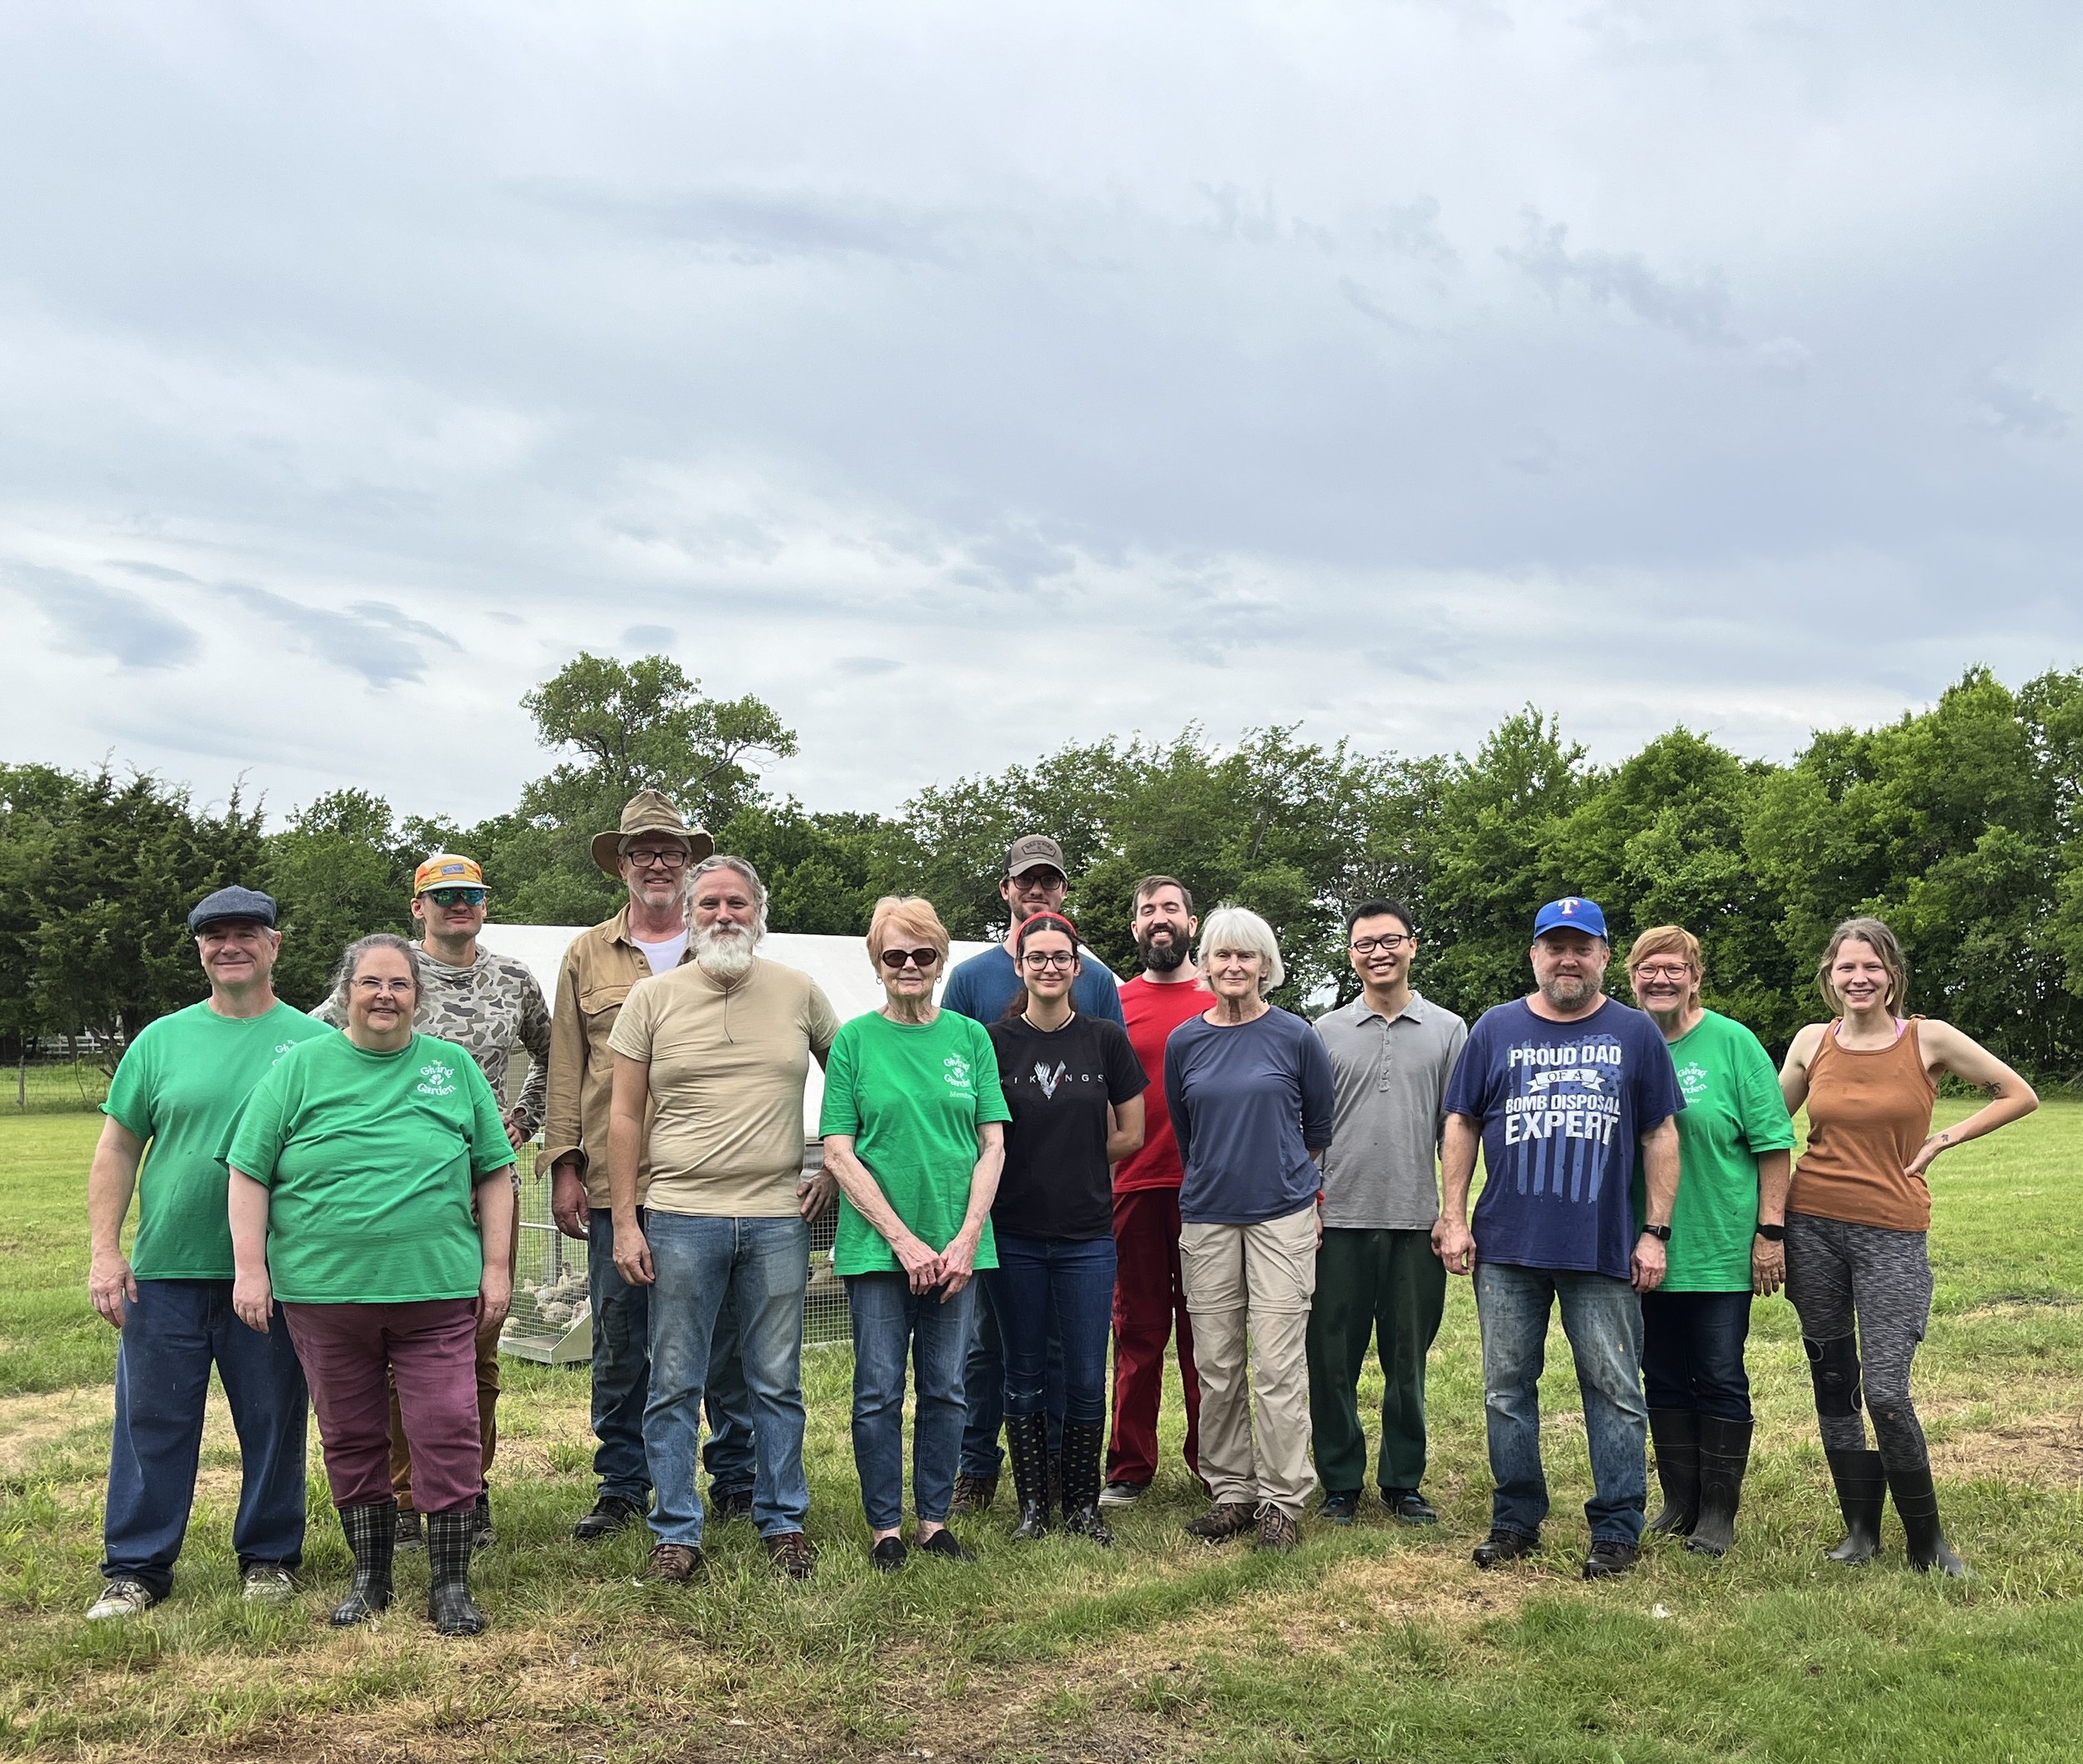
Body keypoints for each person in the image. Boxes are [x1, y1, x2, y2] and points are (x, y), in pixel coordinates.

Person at [228, 933, 516, 1636]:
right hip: (325, 1294)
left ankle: (449, 1583)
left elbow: (495, 1171)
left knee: (446, 1426)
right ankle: (371, 1576)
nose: (385, 994)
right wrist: (251, 1268)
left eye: (399, 983)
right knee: (351, 1433)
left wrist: (497, 1267)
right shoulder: (300, 1068)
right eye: (370, 982)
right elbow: (248, 1171)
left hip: (437, 1290)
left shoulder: (452, 1067)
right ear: (346, 991)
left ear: (417, 996)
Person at [82, 887, 334, 1621]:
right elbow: (118, 1148)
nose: (231, 946)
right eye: (215, 936)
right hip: (164, 1268)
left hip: (275, 1270)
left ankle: (268, 1556)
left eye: (246, 933)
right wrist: (106, 1252)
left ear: (274, 945)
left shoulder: (315, 1044)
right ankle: (136, 1568)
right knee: (152, 1422)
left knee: (273, 1419)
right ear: (199, 950)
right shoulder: (161, 1040)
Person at [606, 856, 840, 1583]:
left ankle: (783, 1519)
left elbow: (856, 1082)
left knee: (776, 1379)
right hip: (679, 1214)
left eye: (737, 902)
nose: (723, 915)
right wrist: (625, 1220)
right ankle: (675, 1530)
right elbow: (622, 1114)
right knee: (673, 1380)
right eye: (708, 903)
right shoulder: (653, 997)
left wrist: (832, 1166)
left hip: (776, 1216)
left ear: (758, 911)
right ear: (688, 910)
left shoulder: (800, 992)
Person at [1779, 916, 2036, 1577]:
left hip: (1892, 1231)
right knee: (1835, 1381)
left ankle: (1928, 1541)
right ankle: (1860, 1530)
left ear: (1891, 974)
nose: (1858, 977)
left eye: (1871, 966)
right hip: (1813, 1225)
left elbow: (2020, 1093)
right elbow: (1767, 1124)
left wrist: (1945, 1137)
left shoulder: (1930, 1038)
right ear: (1830, 976)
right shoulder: (1813, 1040)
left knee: (1888, 1390)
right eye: (1846, 967)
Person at [1434, 897, 1682, 1581]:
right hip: (1508, 1244)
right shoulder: (1494, 1028)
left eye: (1582, 947)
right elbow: (1461, 1121)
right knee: (1506, 1386)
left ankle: (1616, 1525)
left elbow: (1661, 1132)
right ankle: (1515, 1518)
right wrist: (1453, 1215)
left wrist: (1654, 1231)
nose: (1567, 959)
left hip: (1602, 1245)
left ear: (1605, 956)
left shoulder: (1636, 1034)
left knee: (1613, 1386)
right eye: (1554, 946)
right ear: (1535, 955)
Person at [313, 852, 550, 1552]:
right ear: (418, 906)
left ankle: (464, 1494)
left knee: (474, 1347)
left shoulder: (512, 979)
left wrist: (524, 1119)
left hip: (480, 1186)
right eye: (443, 895)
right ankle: (400, 1497)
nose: (458, 905)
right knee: (391, 1350)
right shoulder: (390, 976)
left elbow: (555, 1054)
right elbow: (308, 1044)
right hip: (391, 1190)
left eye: (470, 894)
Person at [542, 791, 762, 1544]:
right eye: (644, 851)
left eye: (671, 849)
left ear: (690, 861)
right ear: (624, 866)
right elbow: (567, 1064)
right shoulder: (586, 954)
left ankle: (736, 1475)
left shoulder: (729, 944)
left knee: (727, 1333)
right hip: (618, 1182)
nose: (658, 862)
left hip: (714, 1176)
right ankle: (622, 1482)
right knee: (619, 1333)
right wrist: (566, 1164)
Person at [820, 896, 1010, 1570]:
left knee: (947, 1387)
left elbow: (992, 1144)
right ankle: (884, 1527)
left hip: (960, 1248)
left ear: (940, 960)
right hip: (879, 1249)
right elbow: (839, 1151)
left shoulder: (970, 1038)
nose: (908, 965)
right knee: (876, 1389)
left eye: (921, 954)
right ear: (876, 962)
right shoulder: (854, 1041)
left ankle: (933, 1519)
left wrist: (964, 1238)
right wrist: (902, 1239)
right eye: (894, 954)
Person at [942, 833, 1121, 1514]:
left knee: (1059, 1343)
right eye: (1027, 881)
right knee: (988, 1342)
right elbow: (952, 1080)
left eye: (1050, 881)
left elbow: (1106, 1091)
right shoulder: (971, 977)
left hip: (1071, 1210)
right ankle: (975, 1465)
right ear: (1007, 892)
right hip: (991, 1197)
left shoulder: (1096, 979)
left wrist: (1074, 1165)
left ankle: (1051, 1469)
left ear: (1064, 892)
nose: (1038, 890)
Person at [1165, 905, 1335, 1554]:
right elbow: (1188, 1132)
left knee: (1280, 1364)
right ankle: (1231, 1490)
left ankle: (1283, 1500)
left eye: (1247, 955)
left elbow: (1317, 1130)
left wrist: (1291, 1185)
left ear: (1267, 965)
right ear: (1204, 963)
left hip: (1282, 1218)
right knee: (1217, 1361)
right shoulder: (1186, 1042)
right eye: (1222, 955)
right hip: (1207, 1217)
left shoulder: (1297, 1036)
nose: (1233, 966)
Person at [1626, 925, 1795, 1557]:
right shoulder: (1626, 1039)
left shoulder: (1732, 1044)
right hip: (1645, 1247)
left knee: (1720, 1374)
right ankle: (1680, 1500)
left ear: (1696, 976)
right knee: (1661, 1374)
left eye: (1674, 968)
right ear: (1633, 976)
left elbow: (1774, 1142)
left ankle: (1719, 1512)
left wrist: (1770, 1233)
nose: (1660, 979)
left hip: (1721, 1243)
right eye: (1648, 968)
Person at [986, 911, 1146, 1543]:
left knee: (1084, 1372)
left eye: (1061, 957)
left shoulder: (1104, 1038)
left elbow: (1131, 1133)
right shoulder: (992, 1042)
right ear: (1021, 966)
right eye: (1037, 956)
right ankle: (1034, 1507)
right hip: (1015, 1232)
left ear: (1077, 968)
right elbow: (981, 1136)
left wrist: (1079, 1156)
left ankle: (1083, 1504)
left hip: (1086, 1236)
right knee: (1022, 1371)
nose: (1049, 966)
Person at [1307, 898, 1468, 1528]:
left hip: (1413, 1221)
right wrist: (1309, 1207)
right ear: (1351, 955)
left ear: (1412, 945)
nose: (1377, 952)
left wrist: (1451, 1213)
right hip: (1337, 1221)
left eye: (1389, 940)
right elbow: (1309, 1131)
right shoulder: (1323, 1031)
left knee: (1409, 1358)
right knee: (1331, 1358)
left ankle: (1403, 1481)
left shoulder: (1449, 1029)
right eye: (1364, 943)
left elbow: (1456, 1129)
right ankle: (1340, 1481)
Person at [1103, 876, 1208, 1507]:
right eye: (1148, 911)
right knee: (1137, 1331)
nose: (1159, 918)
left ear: (1192, 924)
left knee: (1208, 1333)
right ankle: (1129, 1466)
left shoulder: (1218, 995)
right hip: (1133, 1185)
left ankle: (1215, 1463)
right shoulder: (1113, 1003)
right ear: (1136, 928)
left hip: (1210, 1193)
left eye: (1171, 908)